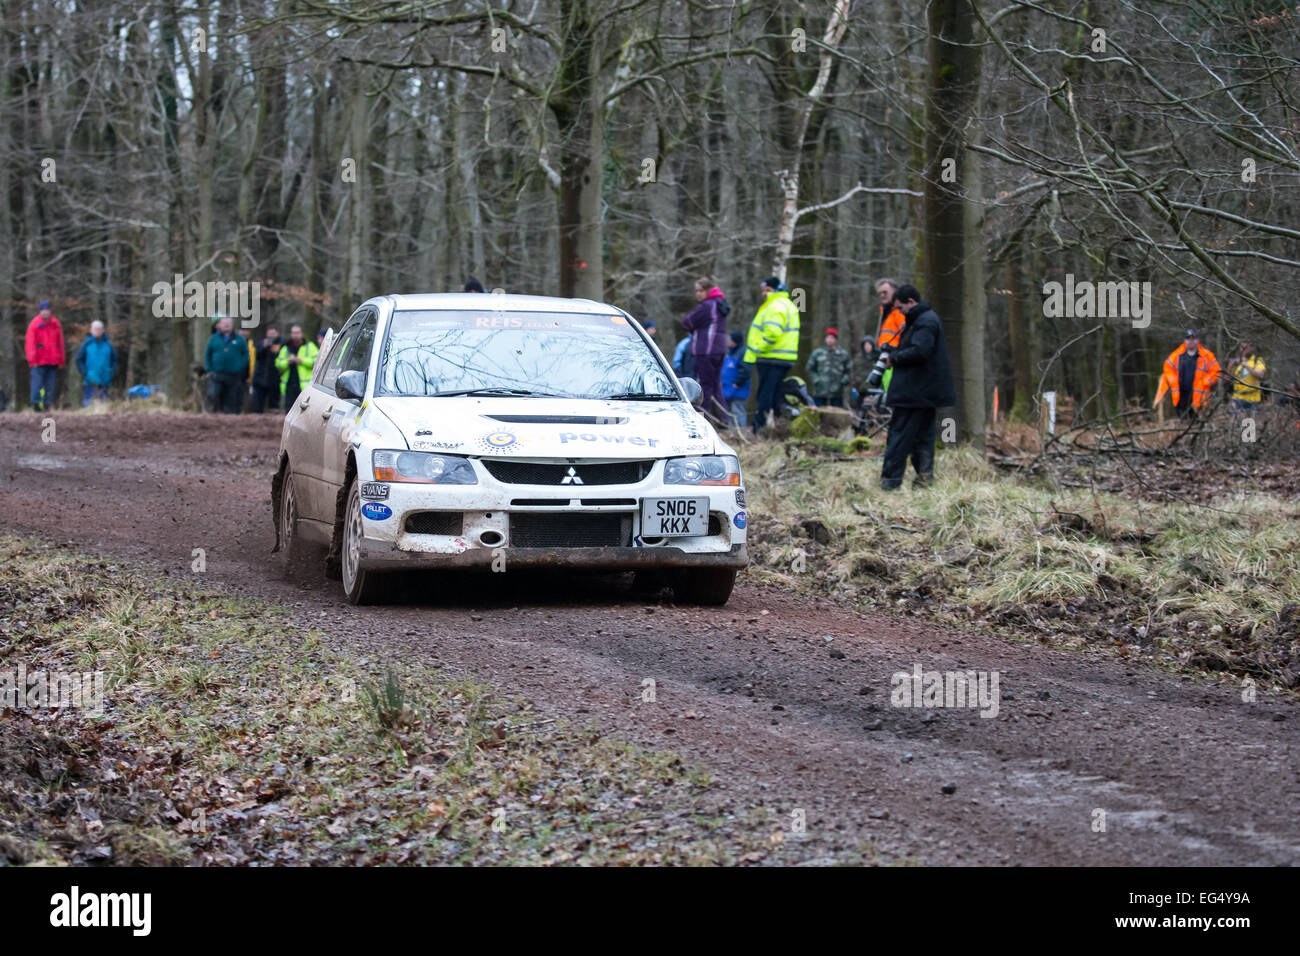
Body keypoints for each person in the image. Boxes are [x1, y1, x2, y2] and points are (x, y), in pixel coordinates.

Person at [880, 285, 955, 490]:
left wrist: (894, 358)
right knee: (923, 437)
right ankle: (924, 479)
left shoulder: (925, 322)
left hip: (913, 392)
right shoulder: (923, 320)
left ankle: (890, 483)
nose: (900, 312)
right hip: (922, 392)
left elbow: (921, 351)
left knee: (899, 436)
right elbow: (917, 349)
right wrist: (894, 350)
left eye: (901, 307)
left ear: (911, 302)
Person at [736, 276, 800, 434]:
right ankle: (781, 427)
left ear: (776, 290)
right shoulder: (787, 304)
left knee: (765, 395)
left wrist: (758, 348)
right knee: (776, 396)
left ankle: (759, 429)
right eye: (763, 290)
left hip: (771, 358)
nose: (764, 293)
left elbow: (772, 333)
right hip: (782, 358)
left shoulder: (775, 305)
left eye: (768, 290)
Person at [681, 276, 730, 419]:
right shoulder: (720, 304)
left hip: (706, 351)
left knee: (704, 387)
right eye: (696, 291)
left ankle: (703, 418)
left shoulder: (707, 306)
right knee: (716, 386)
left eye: (700, 290)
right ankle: (723, 419)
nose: (697, 294)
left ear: (708, 290)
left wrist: (694, 328)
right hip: (719, 350)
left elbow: (687, 322)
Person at [1154, 329, 1221, 418]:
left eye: (1193, 338)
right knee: (1182, 421)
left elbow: (1217, 371)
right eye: (1188, 338)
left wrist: (1205, 382)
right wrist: (1173, 381)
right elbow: (1167, 367)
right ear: (1184, 340)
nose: (1191, 341)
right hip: (1180, 398)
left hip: (1199, 399)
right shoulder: (1177, 355)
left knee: (1198, 422)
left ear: (1198, 340)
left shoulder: (1207, 356)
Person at [25, 301, 65, 411]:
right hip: (38, 361)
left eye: (47, 310)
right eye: (43, 310)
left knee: (50, 385)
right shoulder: (34, 324)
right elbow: (30, 343)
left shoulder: (55, 324)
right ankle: (37, 405)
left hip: (52, 360)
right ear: (40, 311)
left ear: (50, 311)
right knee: (37, 384)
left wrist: (61, 360)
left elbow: (60, 343)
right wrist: (32, 359)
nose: (45, 312)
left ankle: (48, 404)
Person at [204, 315, 249, 414]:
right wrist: (210, 369)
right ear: (219, 325)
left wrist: (240, 367)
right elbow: (207, 355)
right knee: (214, 395)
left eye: (229, 323)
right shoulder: (213, 339)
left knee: (232, 398)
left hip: (233, 375)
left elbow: (245, 355)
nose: (227, 325)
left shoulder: (240, 339)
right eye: (224, 323)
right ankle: (213, 415)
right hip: (216, 374)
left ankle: (230, 418)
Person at [74, 320, 118, 406]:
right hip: (90, 380)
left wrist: (111, 373)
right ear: (91, 330)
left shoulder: (108, 344)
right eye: (95, 329)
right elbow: (79, 359)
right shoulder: (86, 344)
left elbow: (114, 360)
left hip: (105, 379)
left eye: (99, 329)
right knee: (89, 404)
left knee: (104, 404)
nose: (97, 331)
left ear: (103, 330)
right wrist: (85, 373)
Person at [276, 324, 319, 410]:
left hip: (304, 386)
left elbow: (317, 362)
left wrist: (301, 361)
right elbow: (278, 364)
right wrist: (288, 362)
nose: (295, 335)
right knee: (289, 410)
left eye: (297, 332)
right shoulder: (286, 347)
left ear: (301, 333)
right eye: (293, 333)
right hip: (289, 385)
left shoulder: (310, 346)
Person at [806, 328, 852, 406]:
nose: (829, 340)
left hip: (837, 393)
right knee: (819, 412)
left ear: (835, 340)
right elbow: (809, 369)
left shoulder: (843, 354)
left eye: (832, 338)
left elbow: (849, 371)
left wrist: (843, 382)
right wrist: (816, 380)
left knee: (837, 412)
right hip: (820, 391)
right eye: (828, 337)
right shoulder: (817, 353)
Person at [721, 330, 750, 427]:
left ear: (735, 341)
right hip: (728, 389)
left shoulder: (743, 352)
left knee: (738, 411)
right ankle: (731, 431)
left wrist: (737, 383)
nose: (727, 341)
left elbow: (746, 370)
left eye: (730, 339)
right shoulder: (730, 352)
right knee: (728, 412)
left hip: (738, 389)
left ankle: (740, 431)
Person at [251, 327, 283, 413]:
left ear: (277, 334)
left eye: (273, 334)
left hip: (275, 380)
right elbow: (257, 356)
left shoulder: (282, 344)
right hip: (260, 378)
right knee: (257, 405)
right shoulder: (261, 343)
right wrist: (263, 347)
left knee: (273, 406)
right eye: (269, 334)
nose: (271, 336)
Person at [1229, 340, 1267, 413]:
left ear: (1252, 348)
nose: (1242, 350)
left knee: (1250, 420)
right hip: (1237, 397)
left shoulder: (1258, 360)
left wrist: (1246, 365)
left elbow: (1260, 375)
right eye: (1241, 347)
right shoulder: (1237, 361)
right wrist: (1230, 366)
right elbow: (1227, 378)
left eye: (1245, 347)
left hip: (1253, 399)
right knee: (1234, 419)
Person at [875, 278, 905, 349]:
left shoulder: (900, 311)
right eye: (880, 293)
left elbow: (906, 335)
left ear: (894, 291)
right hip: (884, 352)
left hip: (895, 353)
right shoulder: (884, 311)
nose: (882, 295)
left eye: (885, 292)